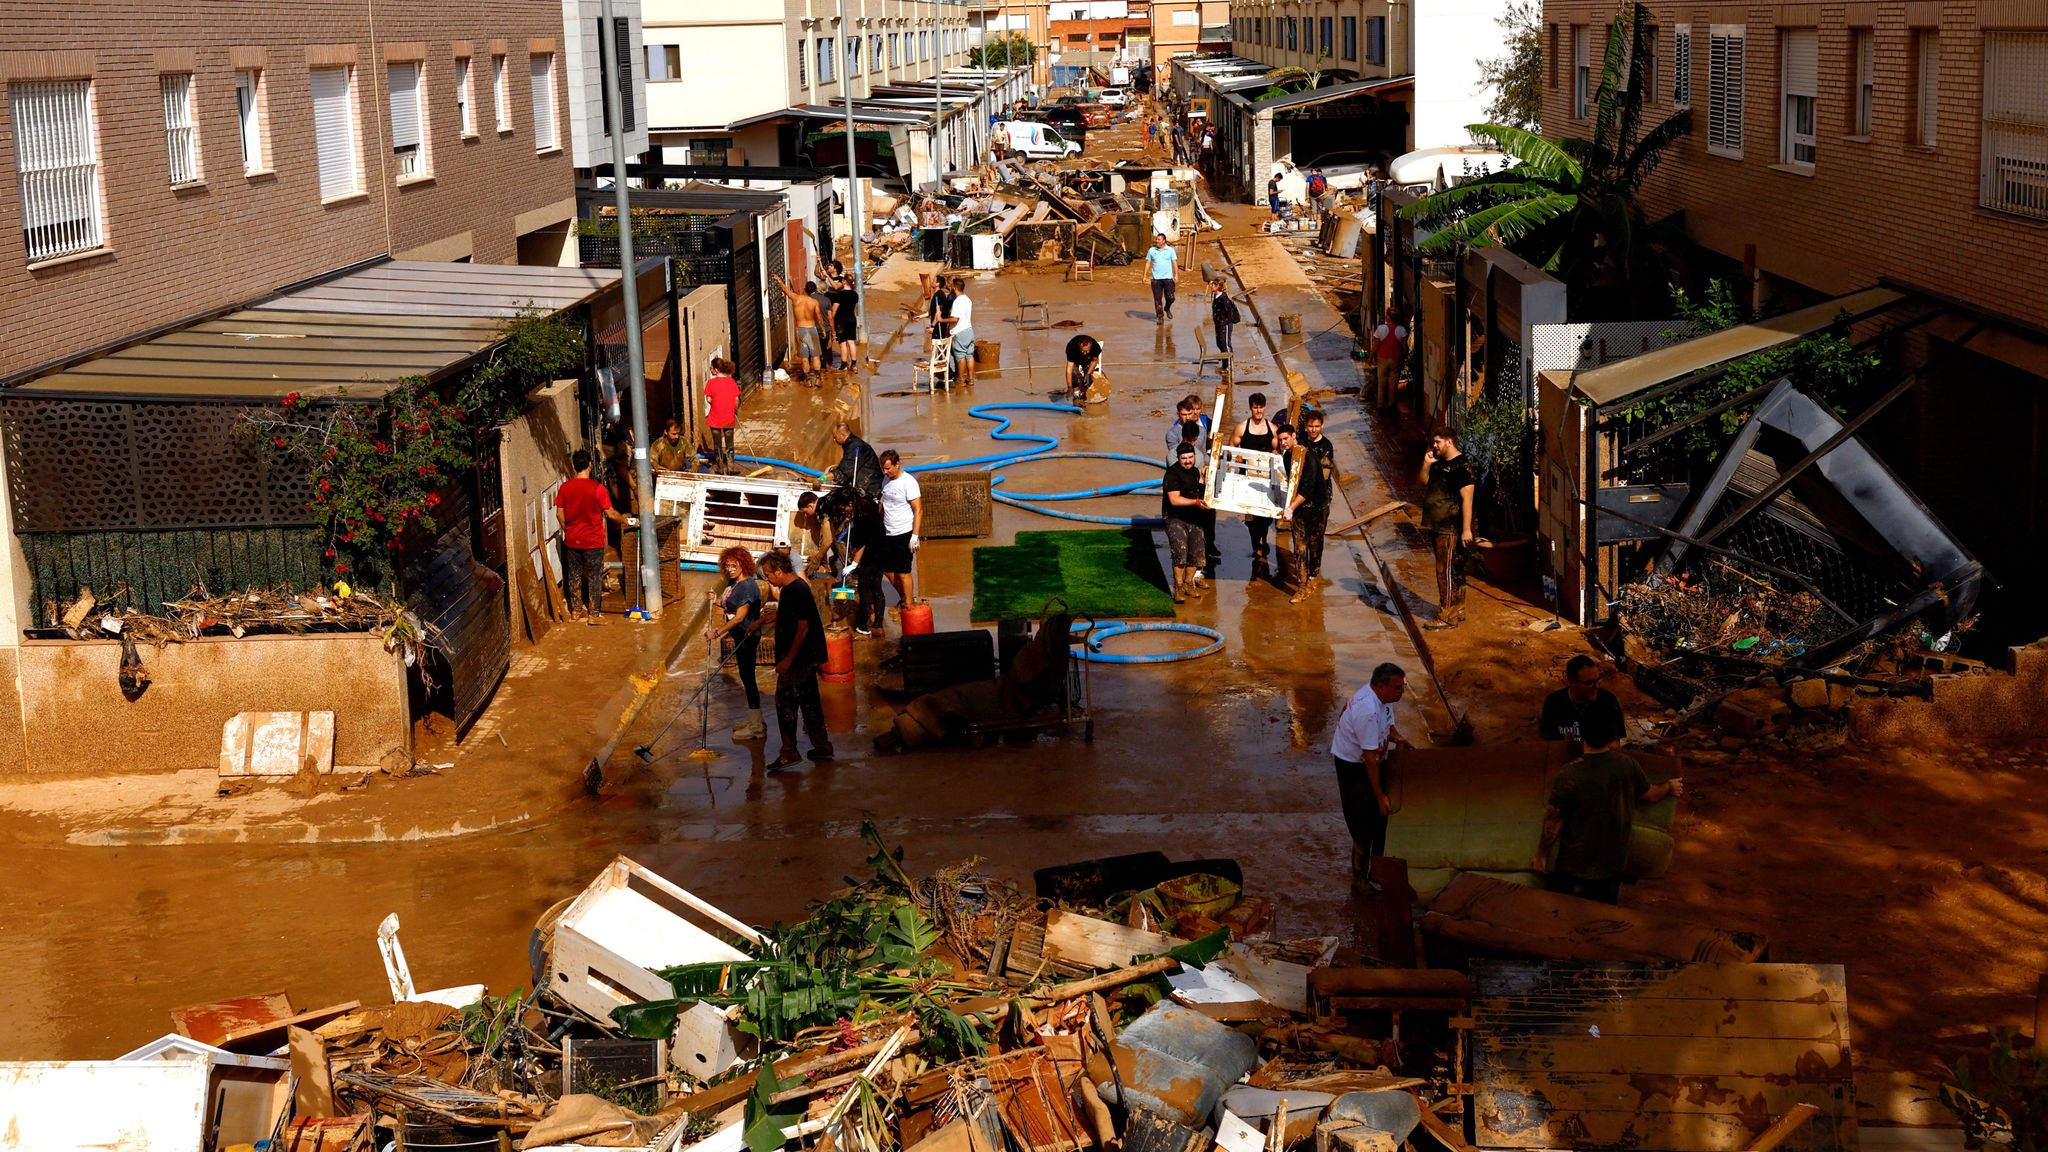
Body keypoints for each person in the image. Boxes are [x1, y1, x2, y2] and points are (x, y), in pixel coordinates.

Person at [1533, 710, 1682, 904]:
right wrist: (1669, 786)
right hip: (1610, 869)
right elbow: (1651, 795)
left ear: (1582, 734)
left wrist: (1541, 855)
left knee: (1562, 916)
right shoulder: (1627, 765)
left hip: (1572, 867)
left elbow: (1554, 819)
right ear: (1612, 736)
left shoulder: (1570, 773)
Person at [1331, 662, 1410, 884]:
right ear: (1381, 686)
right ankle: (1360, 878)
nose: (1401, 692)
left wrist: (1399, 738)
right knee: (1362, 822)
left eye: (1402, 687)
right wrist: (1379, 795)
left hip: (1371, 758)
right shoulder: (1366, 711)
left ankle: (1377, 870)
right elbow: (1369, 759)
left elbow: (1389, 726)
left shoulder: (1384, 700)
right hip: (1353, 767)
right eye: (1397, 688)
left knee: (1380, 821)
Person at [759, 551, 832, 770]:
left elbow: (803, 626)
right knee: (810, 701)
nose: (767, 579)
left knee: (785, 703)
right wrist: (767, 618)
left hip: (799, 657)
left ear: (779, 572)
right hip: (807, 656)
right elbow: (793, 615)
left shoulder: (795, 590)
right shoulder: (794, 589)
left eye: (768, 575)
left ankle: (789, 752)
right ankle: (822, 746)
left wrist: (787, 660)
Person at [554, 447, 639, 624]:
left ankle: (576, 611)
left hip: (572, 540)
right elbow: (610, 513)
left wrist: (567, 529)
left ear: (575, 466)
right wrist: (627, 521)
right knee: (594, 576)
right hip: (593, 541)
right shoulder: (597, 488)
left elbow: (559, 513)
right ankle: (594, 614)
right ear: (590, 465)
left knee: (574, 575)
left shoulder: (565, 488)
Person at [708, 546, 767, 741]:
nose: (731, 569)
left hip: (747, 637)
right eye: (727, 566)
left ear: (744, 564)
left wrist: (716, 632)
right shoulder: (734, 584)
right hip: (739, 636)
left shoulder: (748, 586)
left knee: (748, 679)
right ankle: (754, 719)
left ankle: (756, 727)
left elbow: (739, 618)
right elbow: (730, 605)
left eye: (734, 565)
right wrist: (716, 600)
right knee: (745, 676)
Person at [1420, 426, 1476, 629]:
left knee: (1446, 571)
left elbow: (1467, 499)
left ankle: (1447, 615)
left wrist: (1466, 529)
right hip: (1435, 524)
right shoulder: (1437, 462)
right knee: (1453, 569)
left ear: (1449, 442)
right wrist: (1426, 465)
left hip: (1450, 527)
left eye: (1438, 442)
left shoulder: (1463, 467)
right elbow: (1423, 481)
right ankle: (1457, 609)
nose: (1434, 446)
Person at [1286, 409, 1336, 604]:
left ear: (1321, 426)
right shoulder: (1300, 443)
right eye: (1310, 426)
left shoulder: (1326, 446)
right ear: (1305, 427)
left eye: (1317, 427)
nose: (1313, 430)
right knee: (1299, 545)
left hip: (1319, 500)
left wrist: (1306, 486)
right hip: (1299, 501)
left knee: (1315, 541)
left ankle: (1314, 574)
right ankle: (1302, 584)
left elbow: (1323, 476)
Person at [1540, 655, 1627, 749]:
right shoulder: (1554, 702)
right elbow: (1546, 741)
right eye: (1589, 683)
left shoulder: (1608, 701)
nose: (1596, 686)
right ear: (1572, 682)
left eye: (1597, 680)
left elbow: (1615, 742)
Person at [1162, 442, 1208, 603]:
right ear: (1178, 458)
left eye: (1190, 457)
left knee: (1197, 552)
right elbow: (1174, 500)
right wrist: (1196, 502)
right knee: (1180, 551)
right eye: (1184, 458)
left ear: (1195, 457)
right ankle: (1179, 587)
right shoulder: (1172, 474)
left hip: (1194, 517)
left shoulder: (1196, 472)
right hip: (1175, 517)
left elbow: (1202, 489)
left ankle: (1189, 583)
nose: (1188, 461)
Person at [1234, 394, 1277, 562]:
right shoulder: (1242, 428)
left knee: (1266, 516)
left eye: (1261, 407)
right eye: (1255, 407)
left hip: (1266, 479)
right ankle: (1256, 547)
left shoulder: (1272, 428)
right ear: (1250, 408)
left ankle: (1264, 539)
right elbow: (1232, 449)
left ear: (1265, 407)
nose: (1258, 411)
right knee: (1252, 518)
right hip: (1247, 480)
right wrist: (1240, 463)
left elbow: (1279, 451)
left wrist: (1270, 456)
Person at [879, 449, 923, 611]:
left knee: (903, 572)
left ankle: (909, 605)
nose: (886, 472)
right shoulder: (885, 480)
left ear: (897, 464)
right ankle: (906, 597)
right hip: (887, 533)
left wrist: (915, 535)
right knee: (888, 571)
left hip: (904, 533)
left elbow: (918, 509)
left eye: (888, 468)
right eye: (883, 469)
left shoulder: (908, 482)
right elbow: (884, 505)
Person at [771, 273, 825, 382]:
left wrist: (778, 280)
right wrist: (823, 329)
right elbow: (819, 317)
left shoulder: (796, 298)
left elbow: (786, 290)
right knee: (815, 355)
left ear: (805, 289)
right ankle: (818, 377)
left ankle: (808, 379)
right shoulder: (814, 302)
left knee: (804, 357)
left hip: (801, 330)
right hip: (812, 329)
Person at [704, 357, 741, 473]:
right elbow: (736, 400)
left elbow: (709, 399)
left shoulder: (711, 383)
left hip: (715, 418)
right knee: (730, 443)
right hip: (728, 418)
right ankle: (731, 467)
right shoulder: (731, 382)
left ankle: (719, 467)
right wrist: (735, 410)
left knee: (717, 443)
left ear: (715, 370)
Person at [1371, 315, 1409, 410]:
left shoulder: (1380, 329)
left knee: (1381, 382)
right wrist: (1404, 356)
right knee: (1393, 383)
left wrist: (1370, 357)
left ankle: (1380, 404)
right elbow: (1405, 347)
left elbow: (1375, 345)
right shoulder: (1401, 330)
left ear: (1388, 318)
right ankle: (1391, 404)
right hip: (1395, 360)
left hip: (1382, 359)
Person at [825, 274, 860, 374]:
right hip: (852, 319)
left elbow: (834, 309)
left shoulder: (839, 294)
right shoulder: (855, 294)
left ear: (844, 282)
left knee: (842, 343)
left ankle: (843, 364)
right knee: (851, 342)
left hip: (841, 320)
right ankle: (854, 364)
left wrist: (831, 319)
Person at [946, 276, 976, 387]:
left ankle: (961, 380)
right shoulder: (968, 300)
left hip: (959, 332)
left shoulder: (957, 301)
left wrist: (941, 320)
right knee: (970, 356)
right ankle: (971, 379)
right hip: (969, 330)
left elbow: (955, 319)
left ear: (954, 287)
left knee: (960, 357)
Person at [1145, 232, 1178, 324]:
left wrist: (1176, 275)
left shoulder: (1170, 250)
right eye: (1156, 239)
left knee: (1171, 298)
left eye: (1159, 239)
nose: (1157, 241)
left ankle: (1167, 308)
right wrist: (1144, 275)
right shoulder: (1152, 250)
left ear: (1164, 241)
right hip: (1156, 280)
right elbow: (1148, 263)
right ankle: (1160, 317)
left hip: (1168, 278)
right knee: (1157, 300)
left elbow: (1174, 263)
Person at [1064, 334, 1103, 402]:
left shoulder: (1095, 347)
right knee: (1074, 373)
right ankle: (1076, 394)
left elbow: (1094, 361)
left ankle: (1084, 395)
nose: (1085, 353)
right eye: (1083, 351)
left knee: (1088, 379)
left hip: (1088, 359)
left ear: (1090, 346)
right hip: (1076, 358)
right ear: (1079, 346)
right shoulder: (1072, 347)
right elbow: (1069, 369)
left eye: (1087, 351)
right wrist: (1069, 387)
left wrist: (1088, 374)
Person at [1209, 278, 1242, 356]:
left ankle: (1228, 365)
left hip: (1225, 324)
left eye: (1213, 285)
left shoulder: (1224, 298)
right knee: (1219, 343)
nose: (1211, 286)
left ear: (1217, 286)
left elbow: (1228, 310)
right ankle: (1224, 362)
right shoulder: (1216, 295)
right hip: (1218, 324)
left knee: (1225, 345)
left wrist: (1221, 318)